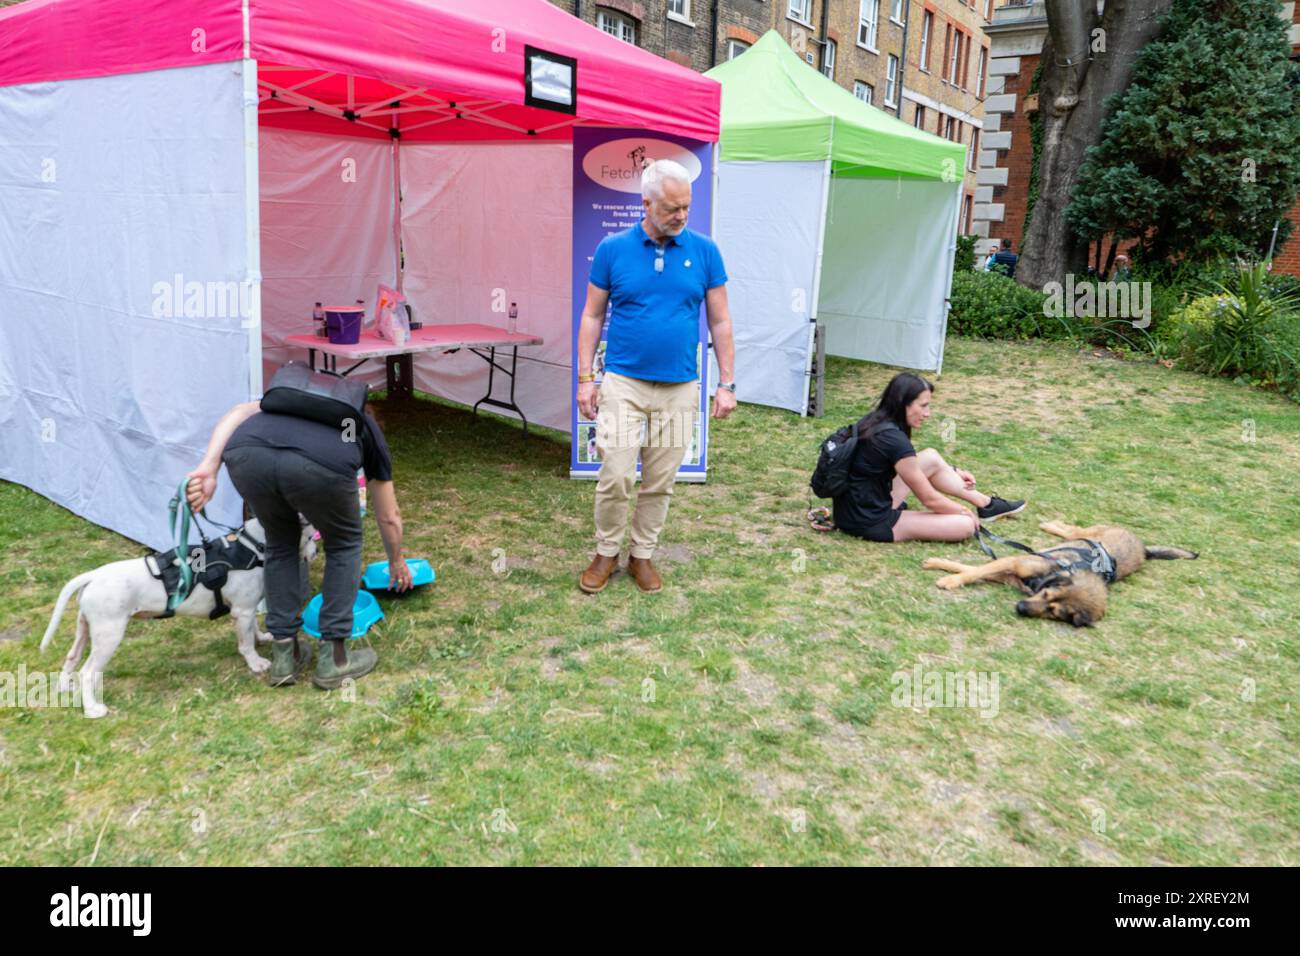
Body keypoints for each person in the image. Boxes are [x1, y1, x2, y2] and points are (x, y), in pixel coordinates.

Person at [575, 158, 737, 594]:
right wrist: (585, 378)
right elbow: (592, 315)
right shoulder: (612, 249)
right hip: (623, 382)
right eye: (671, 209)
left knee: (661, 480)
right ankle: (606, 551)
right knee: (615, 475)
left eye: (686, 207)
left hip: (681, 385)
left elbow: (720, 321)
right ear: (645, 203)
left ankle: (641, 555)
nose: (682, 216)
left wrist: (727, 383)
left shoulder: (705, 251)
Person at [185, 388, 410, 689]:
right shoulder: (364, 427)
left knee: (280, 541)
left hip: (246, 454)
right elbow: (389, 516)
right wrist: (396, 560)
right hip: (314, 465)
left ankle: (284, 657)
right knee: (344, 542)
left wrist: (210, 466)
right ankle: (335, 659)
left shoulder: (293, 399)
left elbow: (237, 413)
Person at [833, 372, 1025, 543]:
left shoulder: (876, 420)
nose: (928, 414)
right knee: (965, 525)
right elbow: (929, 499)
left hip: (853, 506)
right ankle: (980, 509)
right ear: (903, 403)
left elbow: (907, 464)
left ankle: (986, 504)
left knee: (931, 457)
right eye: (923, 406)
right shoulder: (894, 439)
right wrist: (963, 511)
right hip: (869, 520)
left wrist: (953, 471)